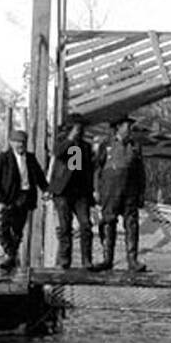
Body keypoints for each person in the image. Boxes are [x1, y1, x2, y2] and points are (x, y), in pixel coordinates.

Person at [92, 115, 149, 272]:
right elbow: (97, 168)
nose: (130, 129)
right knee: (108, 223)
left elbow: (141, 172)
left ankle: (132, 260)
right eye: (127, 126)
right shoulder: (105, 145)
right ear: (118, 127)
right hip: (110, 191)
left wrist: (141, 193)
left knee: (131, 224)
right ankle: (107, 259)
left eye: (130, 126)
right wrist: (96, 189)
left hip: (130, 191)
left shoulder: (135, 146)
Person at [0, 128, 48, 272]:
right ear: (11, 143)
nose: (21, 145)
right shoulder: (3, 159)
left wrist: (47, 190)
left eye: (23, 142)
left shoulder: (31, 158)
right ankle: (10, 254)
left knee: (18, 230)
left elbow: (39, 177)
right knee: (2, 226)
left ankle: (11, 257)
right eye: (17, 142)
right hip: (7, 198)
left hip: (25, 197)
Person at [48, 114, 95, 270]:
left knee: (86, 225)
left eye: (81, 128)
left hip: (80, 192)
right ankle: (64, 260)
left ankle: (86, 260)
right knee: (65, 226)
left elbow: (88, 171)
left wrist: (91, 193)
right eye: (77, 128)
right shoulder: (61, 143)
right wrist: (70, 139)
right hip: (63, 191)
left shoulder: (86, 147)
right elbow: (57, 153)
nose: (80, 131)